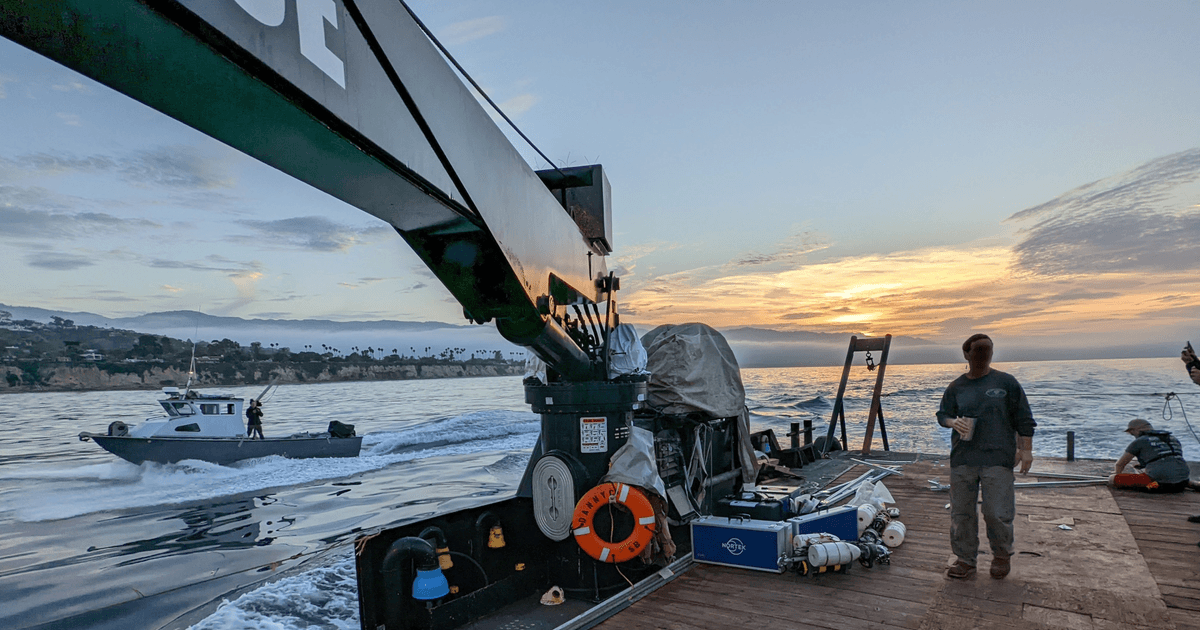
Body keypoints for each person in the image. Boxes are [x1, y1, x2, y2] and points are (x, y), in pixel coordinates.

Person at [937, 334, 1036, 580]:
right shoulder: (956, 386)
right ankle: (965, 559)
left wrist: (1026, 450)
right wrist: (953, 422)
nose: (983, 354)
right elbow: (943, 415)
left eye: (987, 350)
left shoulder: (1007, 382)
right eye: (978, 350)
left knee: (997, 512)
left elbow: (1024, 418)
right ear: (966, 354)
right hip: (963, 459)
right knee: (961, 514)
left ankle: (1001, 556)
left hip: (998, 458)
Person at [1109, 419, 1189, 493]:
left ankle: (1150, 486)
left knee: (1113, 479)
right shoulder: (1173, 438)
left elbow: (1120, 464)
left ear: (1133, 430)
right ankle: (1191, 484)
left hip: (1157, 484)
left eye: (1131, 433)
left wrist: (1117, 474)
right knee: (1174, 478)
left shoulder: (1140, 441)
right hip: (1181, 484)